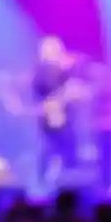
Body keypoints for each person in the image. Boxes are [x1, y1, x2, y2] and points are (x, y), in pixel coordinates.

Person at [33, 36, 79, 190]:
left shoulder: (61, 71)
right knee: (48, 148)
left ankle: (63, 181)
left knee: (63, 147)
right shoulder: (43, 71)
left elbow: (68, 88)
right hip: (49, 116)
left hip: (61, 117)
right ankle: (45, 183)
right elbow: (43, 92)